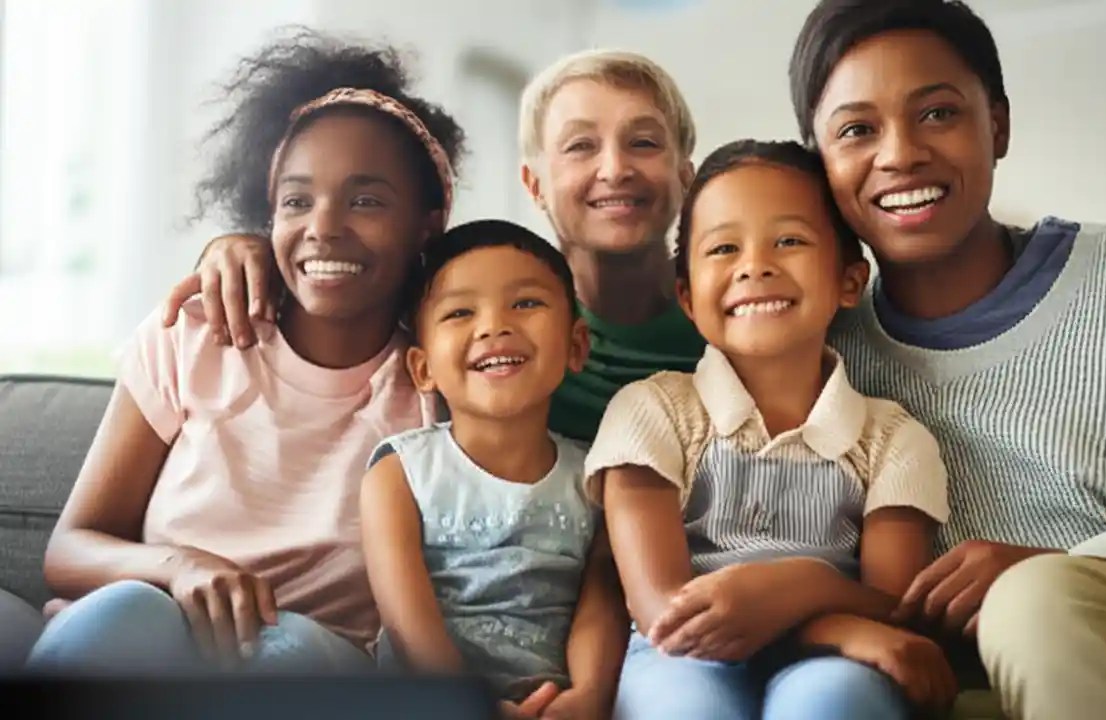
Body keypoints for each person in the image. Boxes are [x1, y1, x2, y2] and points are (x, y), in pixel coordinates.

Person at [789, 1, 1106, 718]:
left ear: (999, 125)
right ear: (821, 167)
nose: (899, 154)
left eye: (937, 114)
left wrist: (1084, 567)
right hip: (984, 685)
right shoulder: (826, 364)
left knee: (1034, 598)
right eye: (857, 130)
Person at [26, 30, 464, 674]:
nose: (323, 226)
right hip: (155, 623)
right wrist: (182, 567)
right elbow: (70, 548)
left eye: (366, 200)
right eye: (296, 201)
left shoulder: (434, 381)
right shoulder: (195, 334)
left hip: (315, 661)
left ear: (428, 221)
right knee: (122, 614)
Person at [585, 139, 955, 719]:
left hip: (837, 658)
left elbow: (892, 609)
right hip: (682, 655)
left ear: (849, 281)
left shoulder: (894, 441)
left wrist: (806, 591)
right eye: (724, 247)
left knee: (836, 700)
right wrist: (823, 610)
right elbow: (663, 613)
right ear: (686, 295)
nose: (754, 265)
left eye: (789, 241)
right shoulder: (650, 410)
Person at [163, 50, 707, 444]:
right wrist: (243, 247)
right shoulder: (479, 320)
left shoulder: (731, 322)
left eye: (643, 143)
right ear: (534, 185)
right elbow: (355, 279)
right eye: (580, 146)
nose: (614, 169)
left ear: (686, 174)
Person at [360, 219, 625, 719]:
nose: (494, 326)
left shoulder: (597, 477)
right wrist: (468, 705)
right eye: (460, 311)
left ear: (576, 346)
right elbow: (405, 622)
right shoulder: (399, 475)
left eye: (525, 303)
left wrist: (589, 695)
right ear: (423, 369)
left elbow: (603, 600)